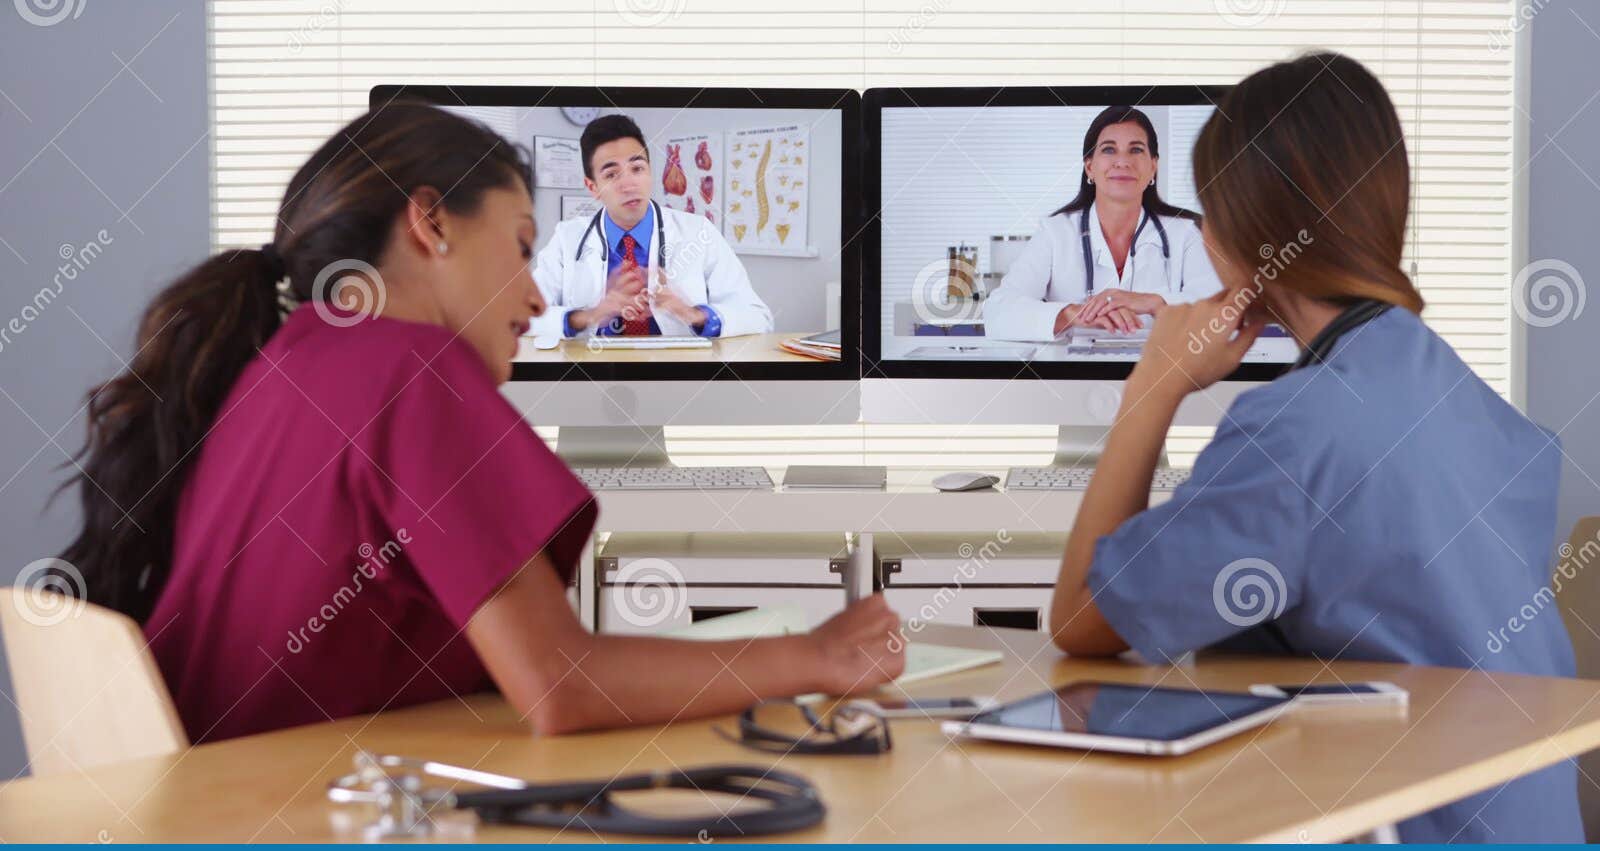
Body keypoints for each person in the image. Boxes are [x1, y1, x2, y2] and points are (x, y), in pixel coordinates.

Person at [56, 103, 901, 744]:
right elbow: (560, 684)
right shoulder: (410, 367)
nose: (535, 294)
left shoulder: (287, 362)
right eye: (520, 246)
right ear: (429, 222)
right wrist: (817, 655)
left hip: (210, 821)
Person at [1045, 52, 1581, 843]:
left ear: (1238, 233)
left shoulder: (1299, 430)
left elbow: (1084, 621)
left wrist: (1153, 386)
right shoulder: (1473, 405)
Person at [983, 105, 1221, 341]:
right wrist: (1072, 314)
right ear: (1090, 167)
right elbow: (998, 312)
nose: (1122, 161)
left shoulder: (1185, 233)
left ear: (1153, 166)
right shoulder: (1056, 232)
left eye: (1136, 150)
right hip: (1076, 377)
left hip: (1165, 373)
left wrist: (1152, 302)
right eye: (1109, 150)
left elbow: (1221, 310)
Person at [531, 114, 772, 341]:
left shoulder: (698, 231)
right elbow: (524, 319)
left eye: (637, 168)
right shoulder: (567, 238)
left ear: (650, 172)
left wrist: (693, 314)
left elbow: (759, 317)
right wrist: (589, 315)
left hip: (676, 373)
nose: (629, 184)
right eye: (612, 174)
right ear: (593, 187)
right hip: (593, 372)